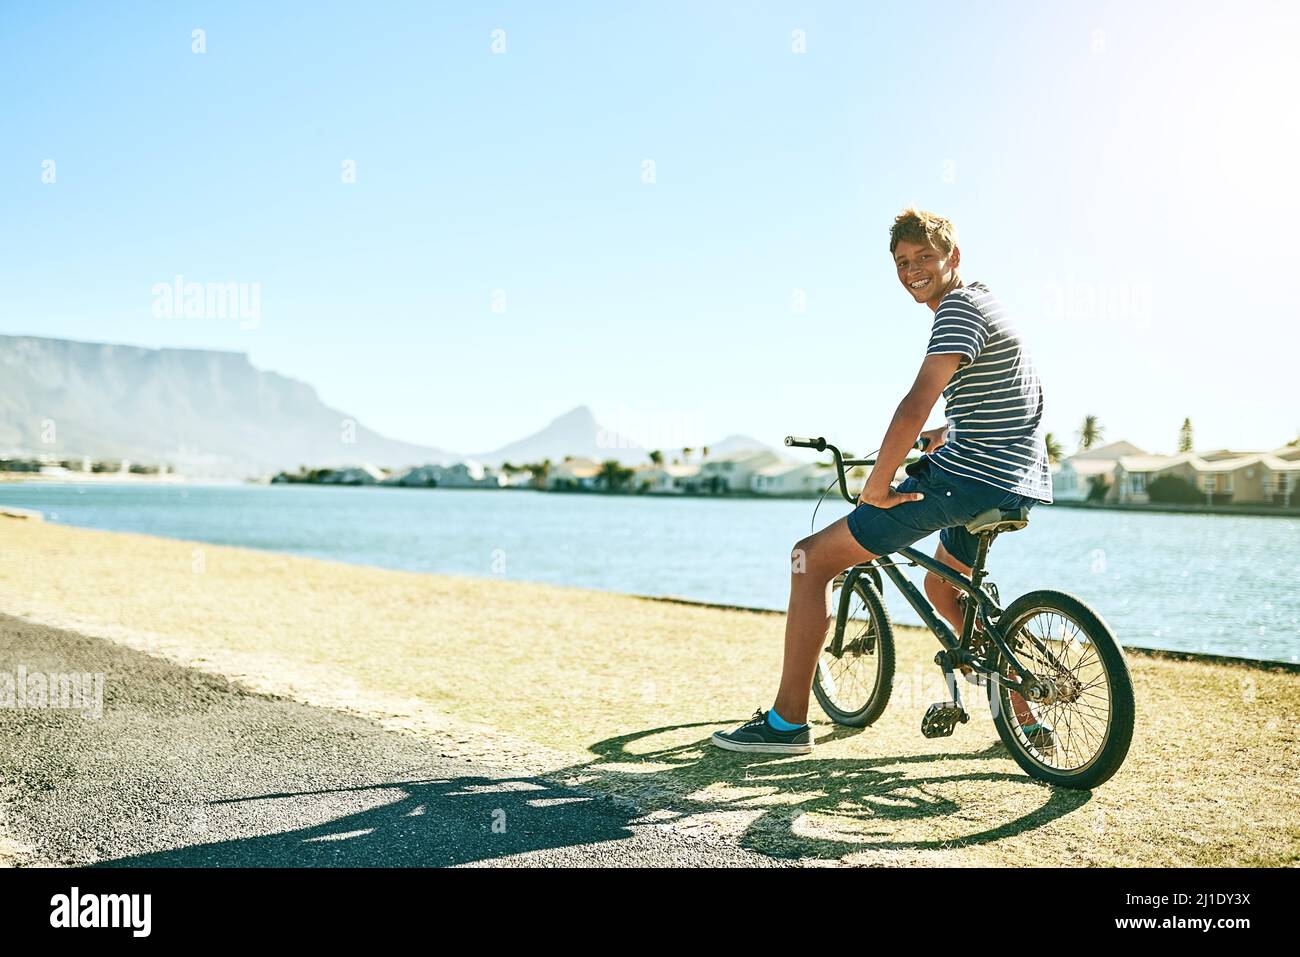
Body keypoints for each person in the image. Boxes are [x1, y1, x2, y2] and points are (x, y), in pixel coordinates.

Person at [712, 206, 1055, 754]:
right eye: (902, 262)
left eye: (924, 257)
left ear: (953, 258)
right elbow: (1009, 396)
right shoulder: (989, 303)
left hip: (966, 483)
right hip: (1015, 479)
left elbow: (916, 400)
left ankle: (785, 724)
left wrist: (879, 482)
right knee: (943, 586)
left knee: (810, 558)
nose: (912, 270)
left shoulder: (958, 310)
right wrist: (952, 431)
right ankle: (1025, 714)